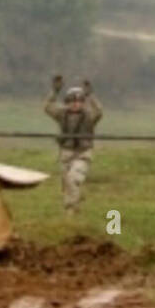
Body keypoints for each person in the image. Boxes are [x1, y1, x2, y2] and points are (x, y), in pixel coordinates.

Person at [44, 75, 103, 215]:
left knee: (73, 179)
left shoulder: (89, 116)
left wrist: (91, 95)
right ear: (66, 102)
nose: (75, 104)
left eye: (79, 101)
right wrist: (55, 91)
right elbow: (47, 107)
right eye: (72, 101)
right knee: (66, 185)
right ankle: (71, 211)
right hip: (66, 154)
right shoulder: (61, 114)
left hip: (83, 154)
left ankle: (72, 208)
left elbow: (99, 111)